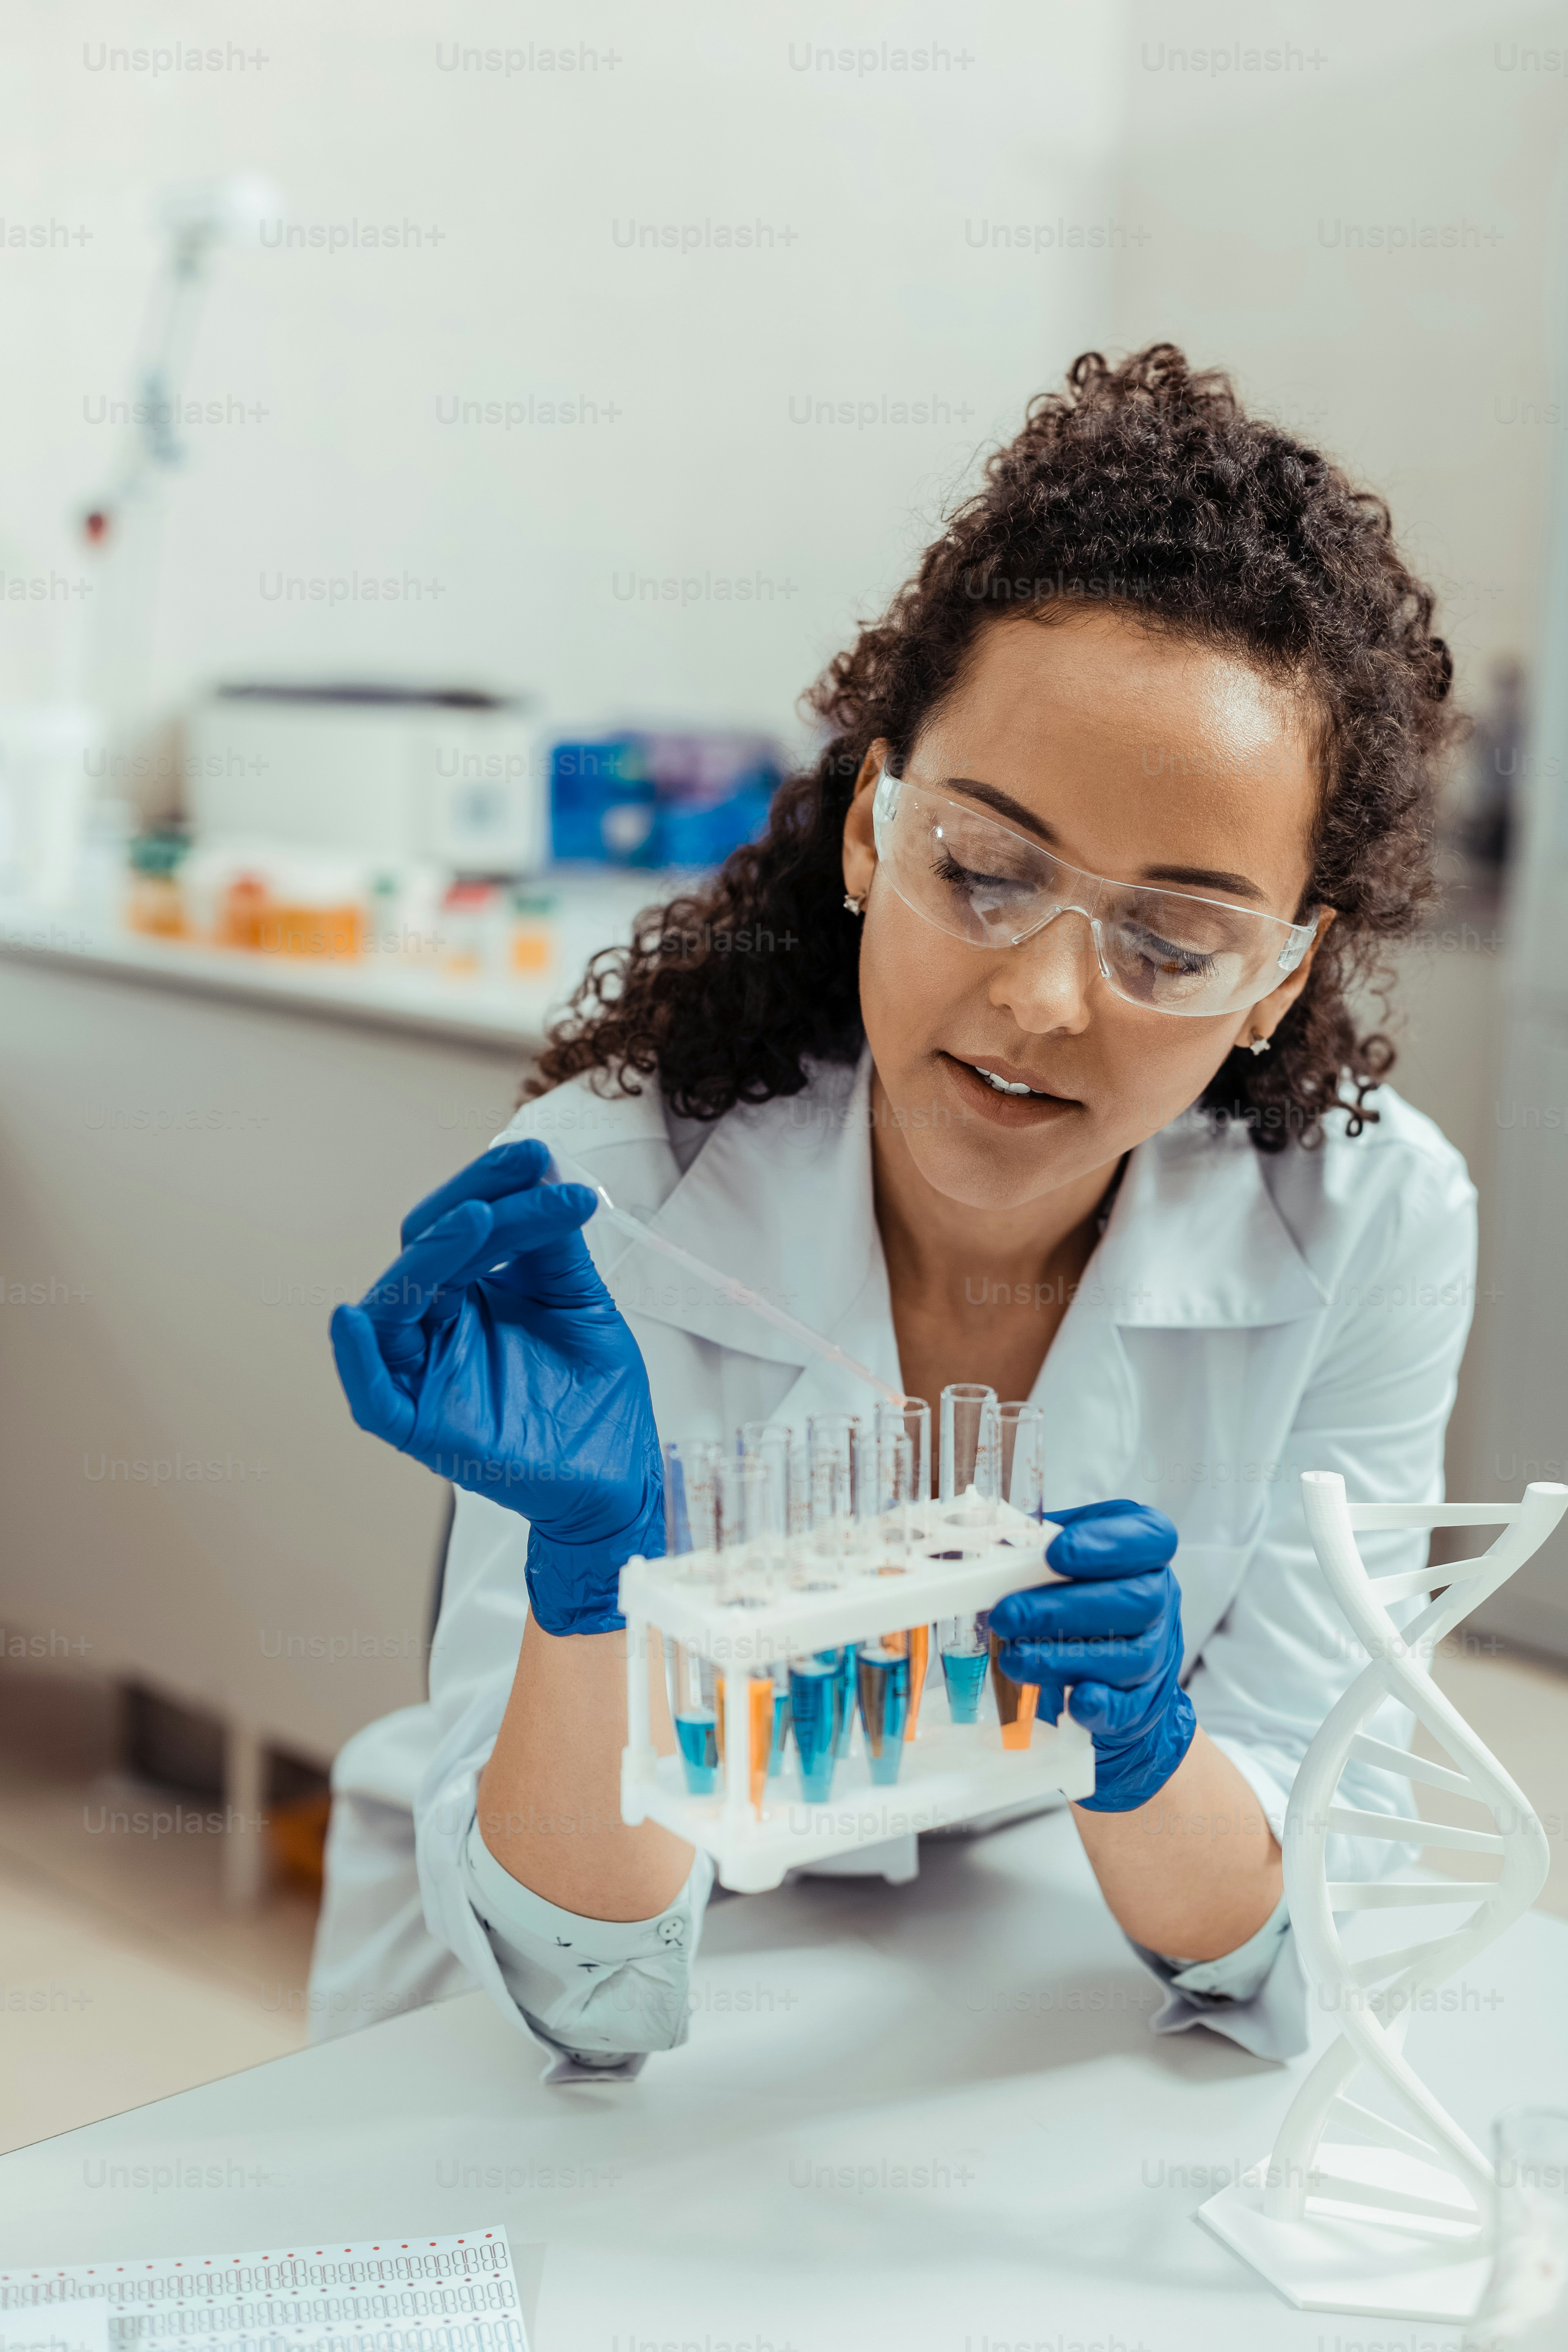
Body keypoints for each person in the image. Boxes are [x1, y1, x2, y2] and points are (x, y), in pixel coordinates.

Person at [310, 345, 1474, 2069]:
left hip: (1024, 1971)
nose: (1047, 999)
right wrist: (590, 1588)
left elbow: (1310, 1929)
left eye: (1174, 941)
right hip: (552, 2028)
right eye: (985, 872)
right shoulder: (618, 1201)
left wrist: (1146, 1754)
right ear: (872, 829)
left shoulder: (1373, 1224)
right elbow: (587, 1995)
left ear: (1282, 981)